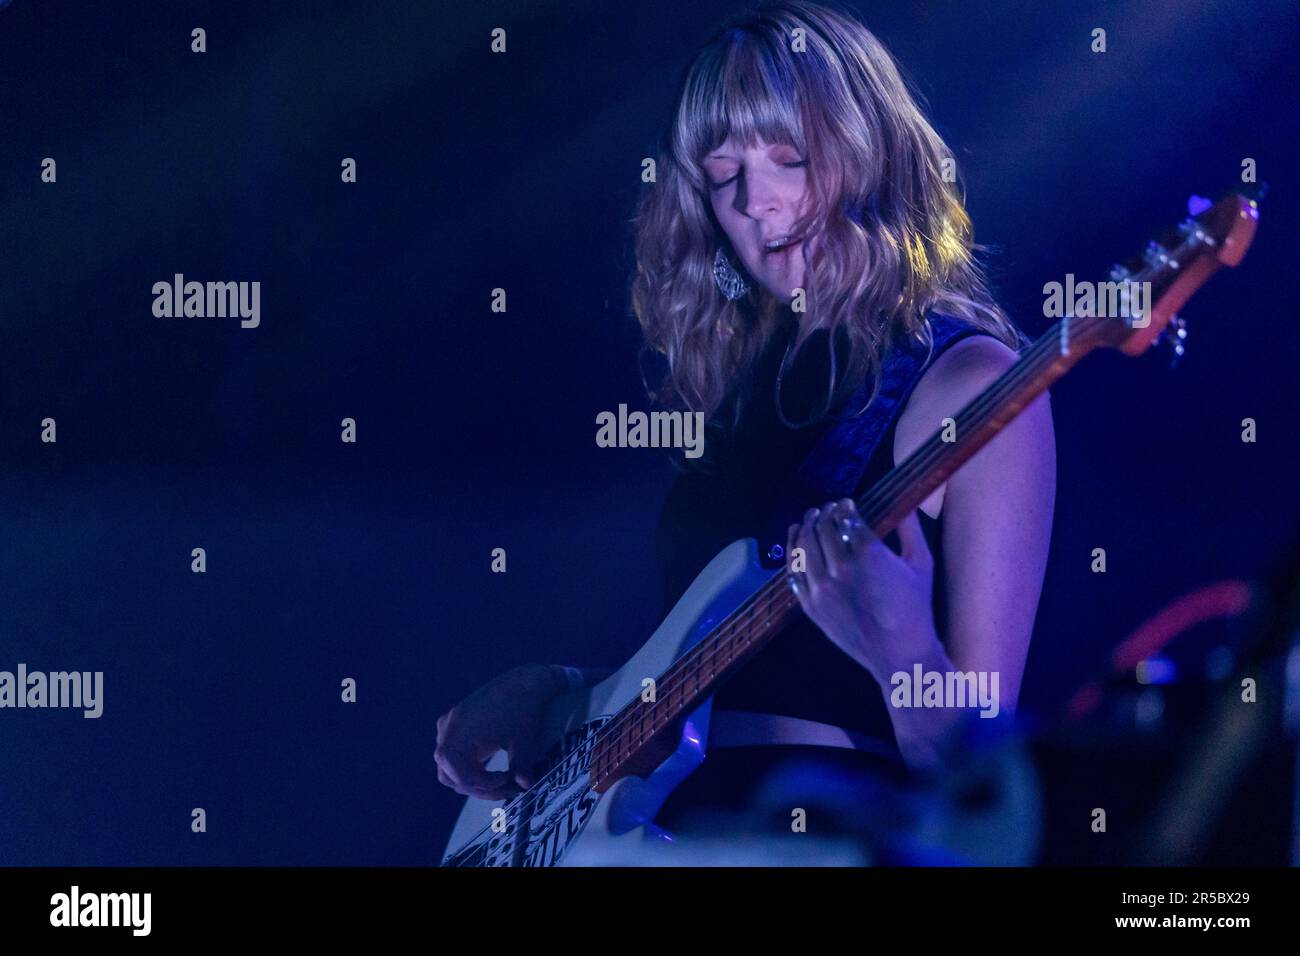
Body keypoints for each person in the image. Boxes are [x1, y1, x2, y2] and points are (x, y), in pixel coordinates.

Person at [435, 0, 1055, 839]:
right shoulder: (754, 382)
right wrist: (558, 693)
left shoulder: (975, 382)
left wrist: (901, 647)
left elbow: (985, 785)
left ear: (869, 155)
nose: (758, 205)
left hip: (829, 836)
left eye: (788, 159)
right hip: (673, 834)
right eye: (723, 177)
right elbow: (715, 668)